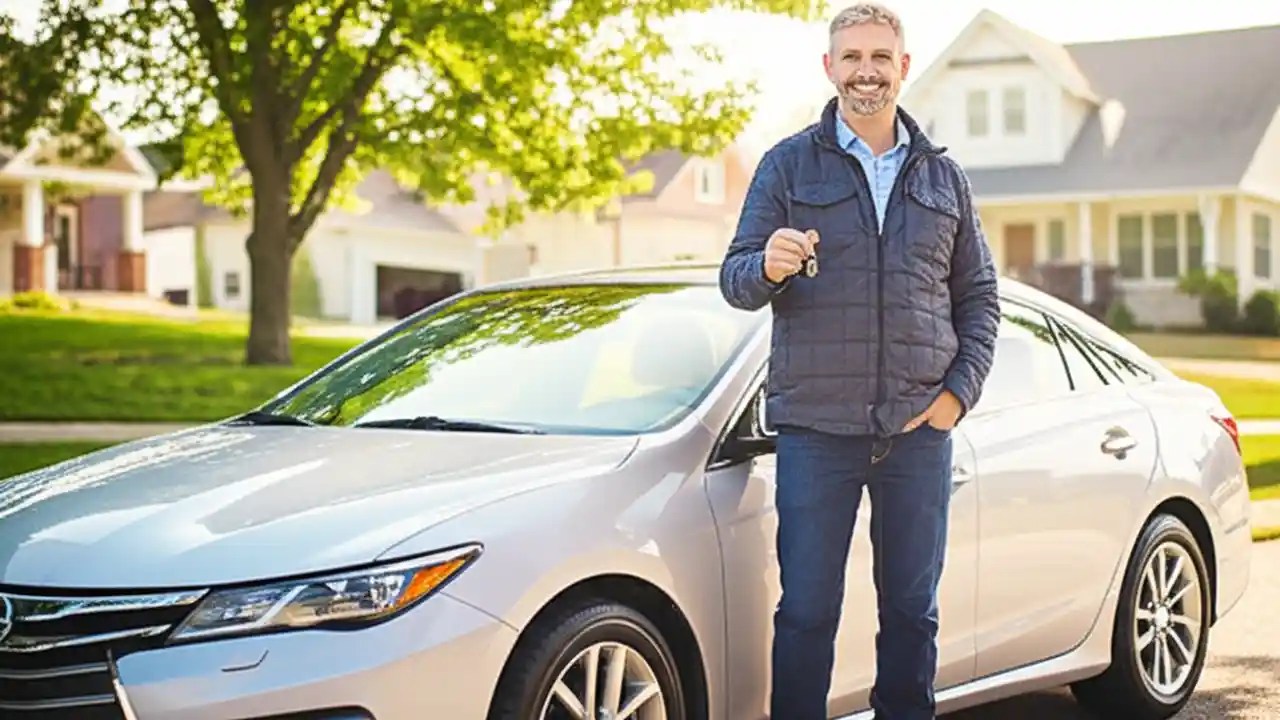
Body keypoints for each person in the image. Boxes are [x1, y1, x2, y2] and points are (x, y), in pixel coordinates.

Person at [717, 3, 1000, 718]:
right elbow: (735, 277)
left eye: (880, 57)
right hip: (817, 433)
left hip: (917, 435)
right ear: (829, 68)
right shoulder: (786, 164)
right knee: (807, 612)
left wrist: (956, 398)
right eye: (852, 58)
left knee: (911, 614)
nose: (866, 72)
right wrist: (768, 267)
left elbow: (981, 298)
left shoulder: (944, 179)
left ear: (903, 68)